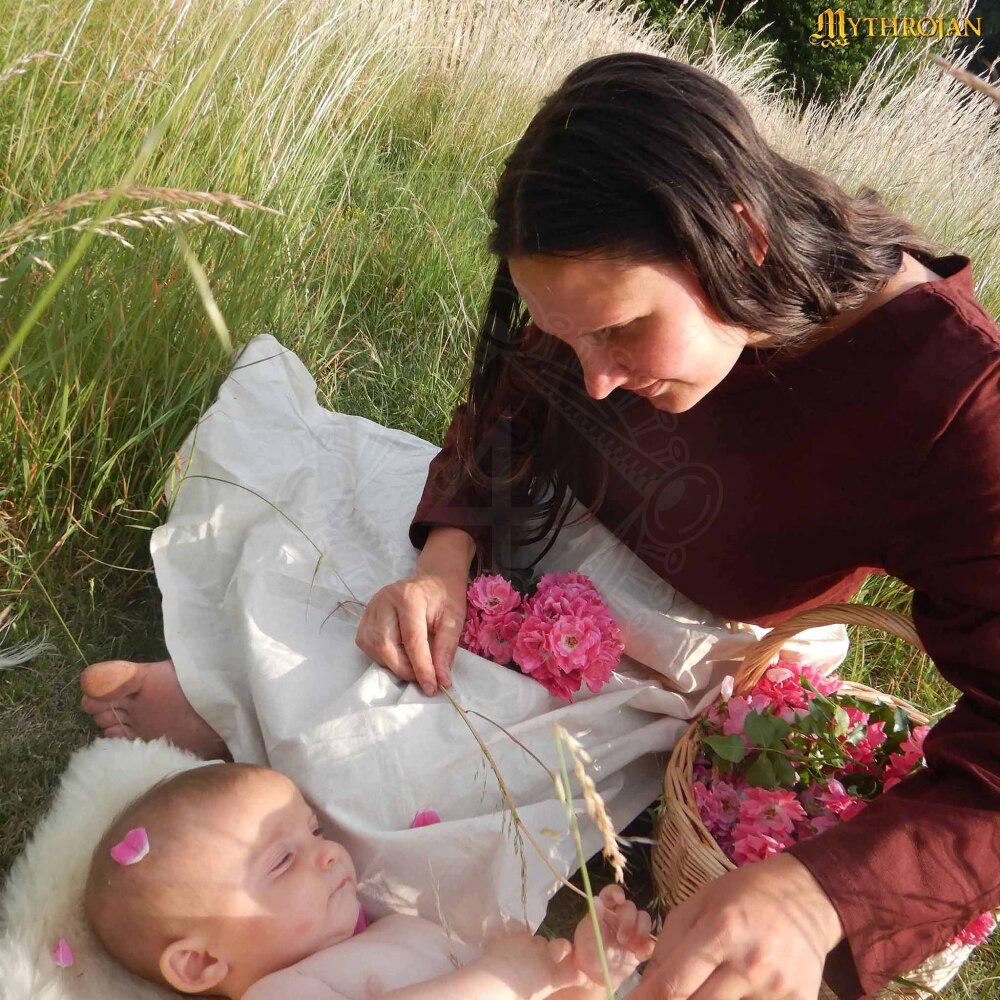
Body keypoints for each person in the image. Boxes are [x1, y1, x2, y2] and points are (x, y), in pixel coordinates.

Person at [80, 52, 1000, 999]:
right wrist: (443, 561)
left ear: (743, 240)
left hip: (678, 631)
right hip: (535, 527)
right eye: (568, 337)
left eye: (621, 332)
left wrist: (817, 897)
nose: (595, 380)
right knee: (327, 563)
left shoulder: (955, 406)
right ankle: (237, 716)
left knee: (398, 782)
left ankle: (240, 714)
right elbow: (515, 404)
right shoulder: (609, 266)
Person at [84, 761, 654, 1000]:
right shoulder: (279, 992)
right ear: (201, 962)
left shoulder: (393, 927)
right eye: (282, 861)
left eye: (314, 831)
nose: (328, 854)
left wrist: (582, 975)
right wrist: (506, 975)